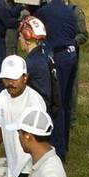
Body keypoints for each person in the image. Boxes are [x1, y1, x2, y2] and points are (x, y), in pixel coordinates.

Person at [35, 0, 79, 156]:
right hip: (71, 56)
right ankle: (65, 143)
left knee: (57, 103)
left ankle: (58, 148)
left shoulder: (44, 11)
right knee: (67, 102)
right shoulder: (70, 11)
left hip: (58, 57)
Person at [17, 16, 64, 158]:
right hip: (50, 110)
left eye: (20, 35)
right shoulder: (45, 54)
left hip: (38, 113)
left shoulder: (32, 62)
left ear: (27, 36)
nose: (19, 39)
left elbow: (11, 79)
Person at [64, 0, 88, 125]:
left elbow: (84, 35)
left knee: (72, 84)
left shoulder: (75, 11)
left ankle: (71, 116)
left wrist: (71, 43)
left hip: (71, 52)